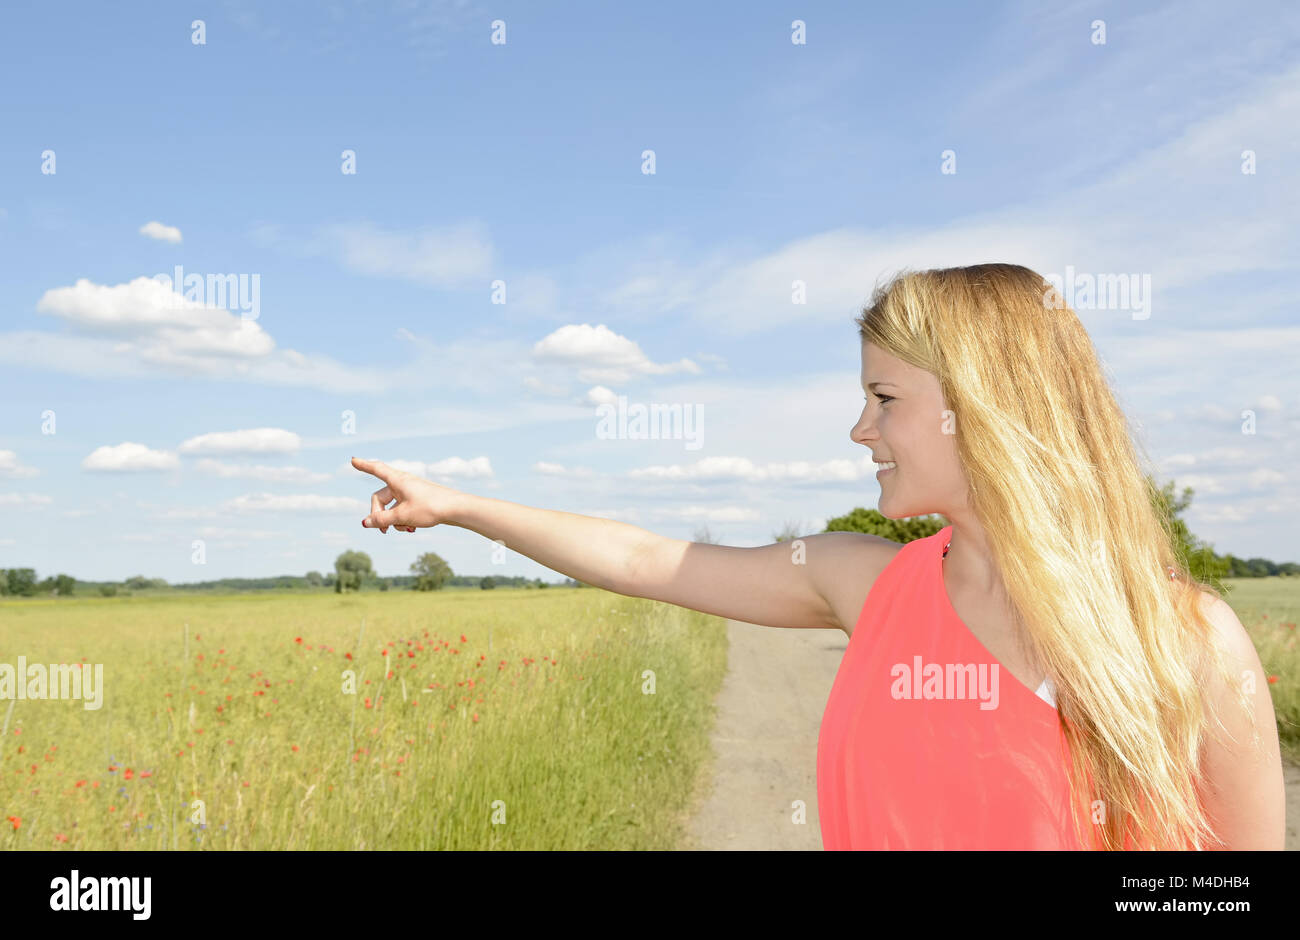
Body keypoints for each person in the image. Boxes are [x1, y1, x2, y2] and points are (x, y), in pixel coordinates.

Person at [350, 262, 1285, 850]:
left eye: (885, 399)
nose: (858, 429)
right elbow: (642, 556)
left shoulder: (1188, 643)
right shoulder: (862, 580)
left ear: (987, 410)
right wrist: (464, 507)